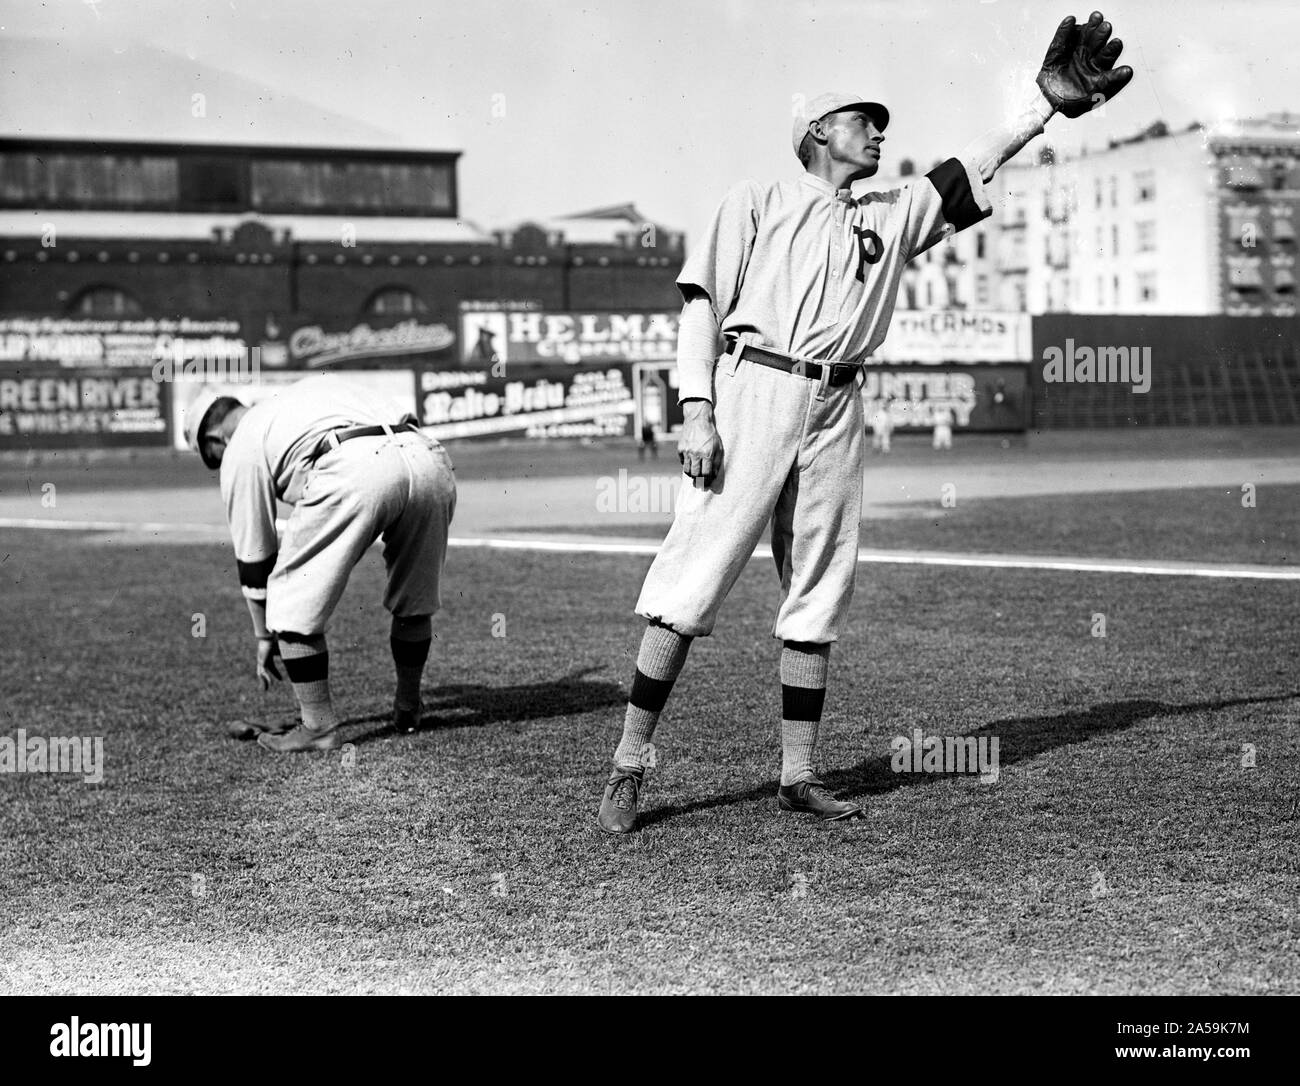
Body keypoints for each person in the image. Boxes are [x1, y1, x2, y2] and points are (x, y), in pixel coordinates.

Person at [596, 12, 1132, 832]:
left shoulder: (888, 210)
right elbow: (701, 309)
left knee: (819, 585)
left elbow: (972, 166)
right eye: (862, 121)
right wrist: (696, 411)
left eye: (882, 124)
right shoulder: (755, 200)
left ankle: (797, 774)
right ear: (817, 132)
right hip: (755, 390)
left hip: (839, 401)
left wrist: (1041, 107)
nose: (879, 132)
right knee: (692, 579)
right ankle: (632, 763)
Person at [183, 374, 457, 753]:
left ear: (214, 440)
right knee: (415, 597)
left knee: (290, 599)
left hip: (356, 466)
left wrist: (265, 634)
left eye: (211, 459)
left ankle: (318, 728)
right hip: (426, 457)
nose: (216, 466)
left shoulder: (241, 441)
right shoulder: (299, 397)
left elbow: (254, 555)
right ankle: (409, 707)